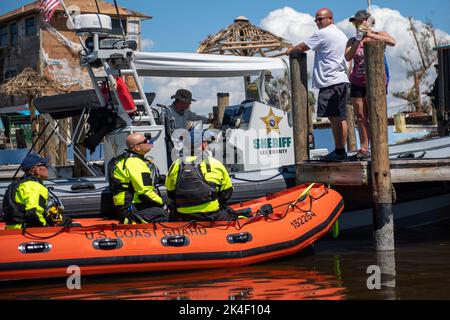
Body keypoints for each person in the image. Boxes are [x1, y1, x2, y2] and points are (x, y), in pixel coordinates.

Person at [286, 8, 350, 161]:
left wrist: (290, 50)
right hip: (340, 80)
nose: (318, 22)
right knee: (340, 117)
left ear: (330, 19)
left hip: (331, 81)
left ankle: (340, 151)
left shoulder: (323, 33)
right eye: (316, 20)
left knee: (335, 118)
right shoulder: (340, 33)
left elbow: (303, 47)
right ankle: (341, 151)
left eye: (321, 19)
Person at [345, 10, 396, 161]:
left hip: (375, 83)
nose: (357, 25)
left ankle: (378, 147)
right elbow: (348, 56)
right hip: (357, 82)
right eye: (355, 22)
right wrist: (358, 40)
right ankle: (364, 148)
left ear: (368, 21)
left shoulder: (379, 34)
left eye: (360, 22)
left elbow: (392, 42)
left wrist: (371, 35)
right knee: (361, 117)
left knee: (376, 115)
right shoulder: (352, 40)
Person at [164, 131, 235, 222]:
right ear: (203, 145)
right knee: (232, 214)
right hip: (211, 214)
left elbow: (170, 192)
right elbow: (227, 193)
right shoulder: (216, 164)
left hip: (183, 216)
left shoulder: (175, 165)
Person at [107, 133, 169, 224]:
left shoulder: (124, 159)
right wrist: (164, 205)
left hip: (125, 207)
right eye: (145, 141)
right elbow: (145, 193)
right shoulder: (135, 163)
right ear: (137, 147)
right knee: (166, 214)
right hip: (133, 209)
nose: (148, 142)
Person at [2, 152, 66, 229]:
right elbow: (33, 214)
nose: (47, 168)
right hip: (26, 232)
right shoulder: (35, 187)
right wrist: (47, 227)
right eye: (44, 165)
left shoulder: (18, 184)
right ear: (36, 168)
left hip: (11, 230)